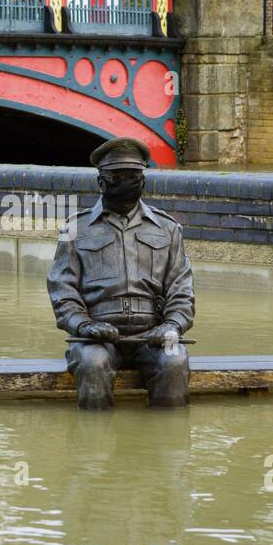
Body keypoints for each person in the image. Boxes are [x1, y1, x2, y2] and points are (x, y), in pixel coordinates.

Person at [47, 137, 195, 409]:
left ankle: (169, 446)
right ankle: (95, 445)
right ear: (101, 182)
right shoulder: (75, 229)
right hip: (94, 338)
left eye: (133, 176)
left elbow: (181, 290)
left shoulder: (167, 229)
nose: (126, 182)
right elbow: (62, 290)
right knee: (93, 363)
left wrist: (171, 325)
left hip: (154, 335)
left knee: (174, 360)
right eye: (117, 177)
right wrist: (84, 325)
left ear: (143, 180)